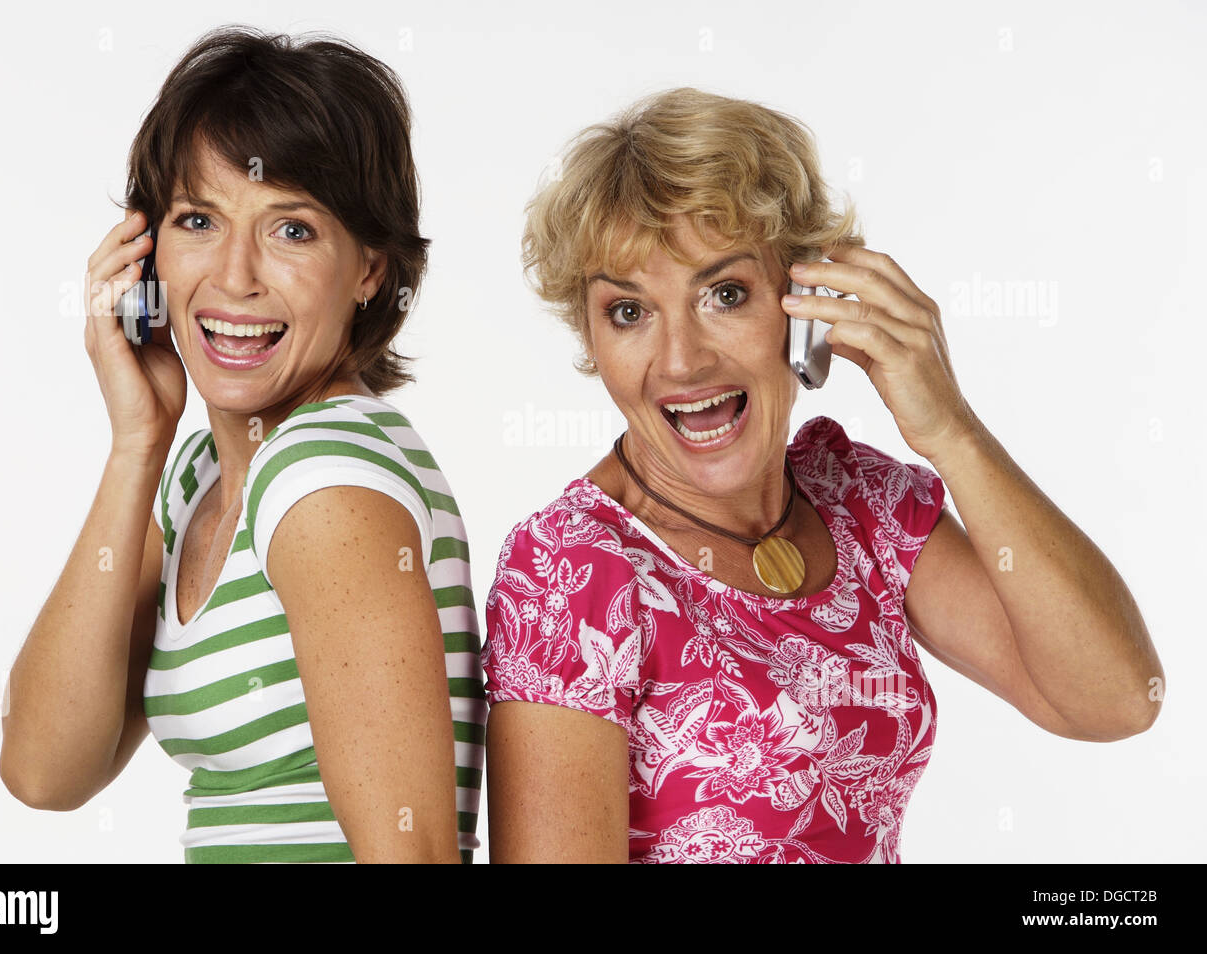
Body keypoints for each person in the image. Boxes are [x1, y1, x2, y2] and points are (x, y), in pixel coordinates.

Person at [482, 87, 1164, 863]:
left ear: (808, 301)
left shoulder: (857, 502)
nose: (680, 360)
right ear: (591, 336)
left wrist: (951, 429)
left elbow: (1113, 700)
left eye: (724, 294)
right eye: (629, 312)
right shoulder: (571, 573)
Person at [0, 26, 484, 863]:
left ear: (370, 267)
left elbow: (416, 856)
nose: (234, 277)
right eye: (198, 220)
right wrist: (136, 445)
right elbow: (44, 769)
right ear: (143, 256)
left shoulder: (326, 476)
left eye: (291, 230)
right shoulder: (196, 477)